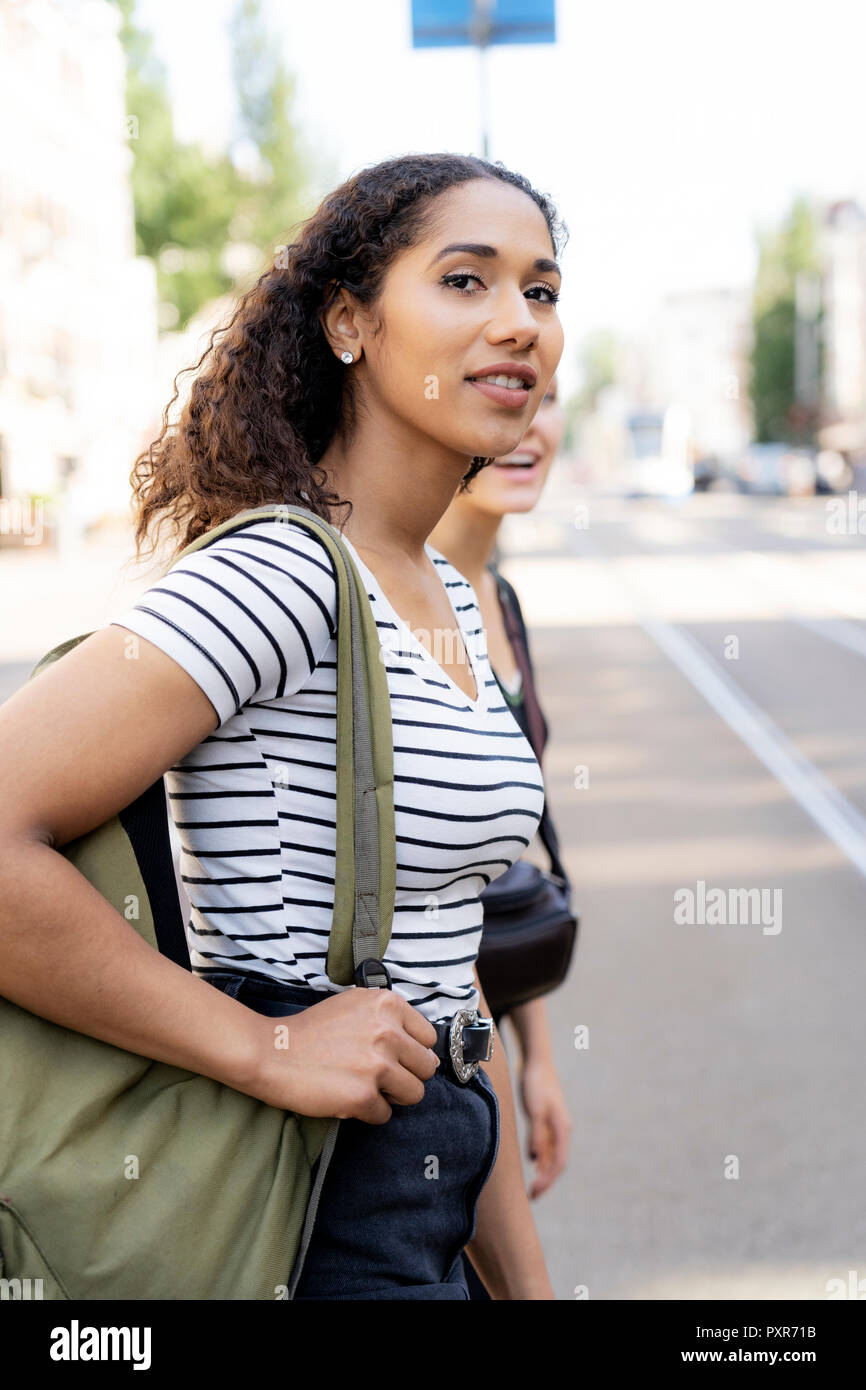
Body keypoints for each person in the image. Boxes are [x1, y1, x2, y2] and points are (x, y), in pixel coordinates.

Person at [0, 151, 566, 1300]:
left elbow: (447, 991)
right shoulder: (285, 571)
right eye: (465, 281)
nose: (517, 321)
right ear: (349, 323)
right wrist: (262, 1043)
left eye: (541, 291)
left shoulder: (440, 589)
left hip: (435, 1182)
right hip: (310, 1203)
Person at [429, 373, 572, 1299]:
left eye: (551, 396)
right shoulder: (406, 604)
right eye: (507, 390)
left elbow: (500, 856)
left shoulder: (501, 600)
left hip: (479, 1035)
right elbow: (439, 910)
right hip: (430, 1061)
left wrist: (542, 1064)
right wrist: (492, 1077)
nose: (529, 422)